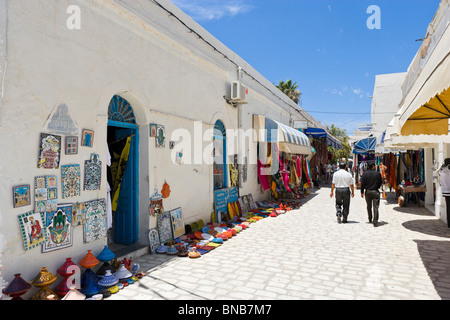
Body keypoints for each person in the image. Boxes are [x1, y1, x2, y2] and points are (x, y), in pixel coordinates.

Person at [361, 162, 383, 227]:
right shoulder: (377, 174)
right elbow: (380, 182)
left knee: (369, 206)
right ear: (373, 166)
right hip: (375, 191)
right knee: (376, 207)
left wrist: (362, 192)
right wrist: (377, 187)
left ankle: (370, 218)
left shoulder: (364, 174)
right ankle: (375, 221)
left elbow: (362, 184)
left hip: (367, 192)